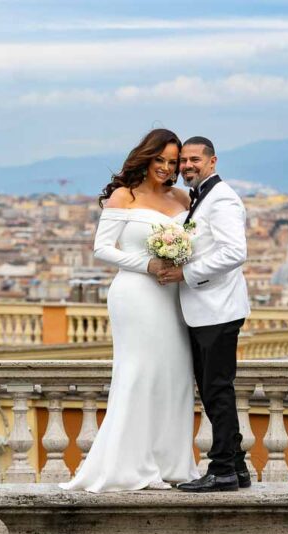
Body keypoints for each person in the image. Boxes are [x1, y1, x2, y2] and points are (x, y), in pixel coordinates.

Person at [59, 128, 200, 492]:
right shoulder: (125, 195)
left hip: (173, 296)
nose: (166, 168)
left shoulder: (183, 198)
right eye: (160, 160)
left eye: (173, 162)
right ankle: (131, 465)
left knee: (174, 375)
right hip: (136, 295)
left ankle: (171, 464)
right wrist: (147, 265)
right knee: (139, 373)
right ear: (147, 158)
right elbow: (102, 248)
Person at [156, 136, 251, 492]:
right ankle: (236, 467)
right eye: (183, 160)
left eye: (194, 159)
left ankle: (222, 469)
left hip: (218, 309)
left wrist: (187, 273)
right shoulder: (202, 197)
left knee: (217, 391)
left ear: (212, 161)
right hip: (207, 310)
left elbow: (234, 252)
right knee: (214, 390)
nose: (186, 166)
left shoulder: (222, 198)